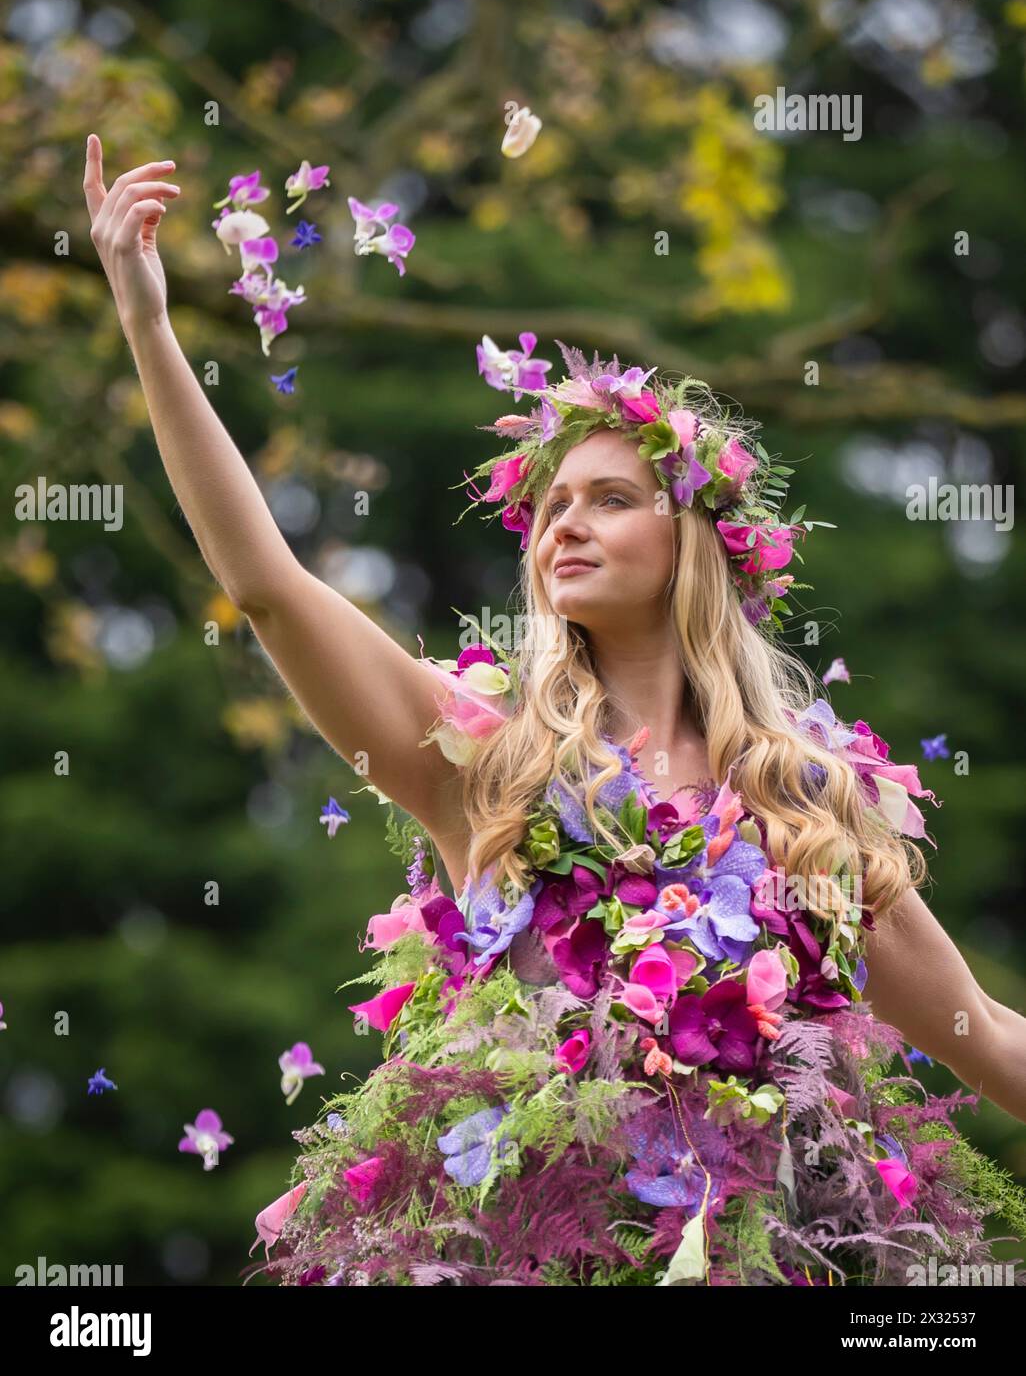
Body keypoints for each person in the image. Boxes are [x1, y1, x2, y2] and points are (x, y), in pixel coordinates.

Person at [85, 136, 1026, 1288]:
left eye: (612, 498)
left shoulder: (808, 803)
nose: (565, 522)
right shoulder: (488, 762)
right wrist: (149, 326)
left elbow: (990, 1038)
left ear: (697, 550)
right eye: (553, 505)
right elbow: (272, 592)